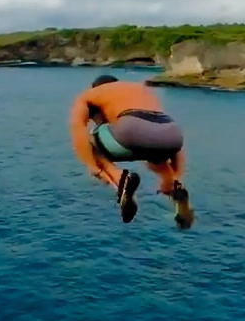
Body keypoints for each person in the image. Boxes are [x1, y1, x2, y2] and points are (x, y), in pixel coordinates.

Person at [68, 74, 194, 228]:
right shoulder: (141, 90)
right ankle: (172, 184)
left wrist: (92, 166)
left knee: (90, 141)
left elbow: (77, 128)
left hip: (132, 129)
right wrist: (177, 175)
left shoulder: (90, 95)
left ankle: (120, 178)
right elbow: (173, 146)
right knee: (153, 152)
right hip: (171, 134)